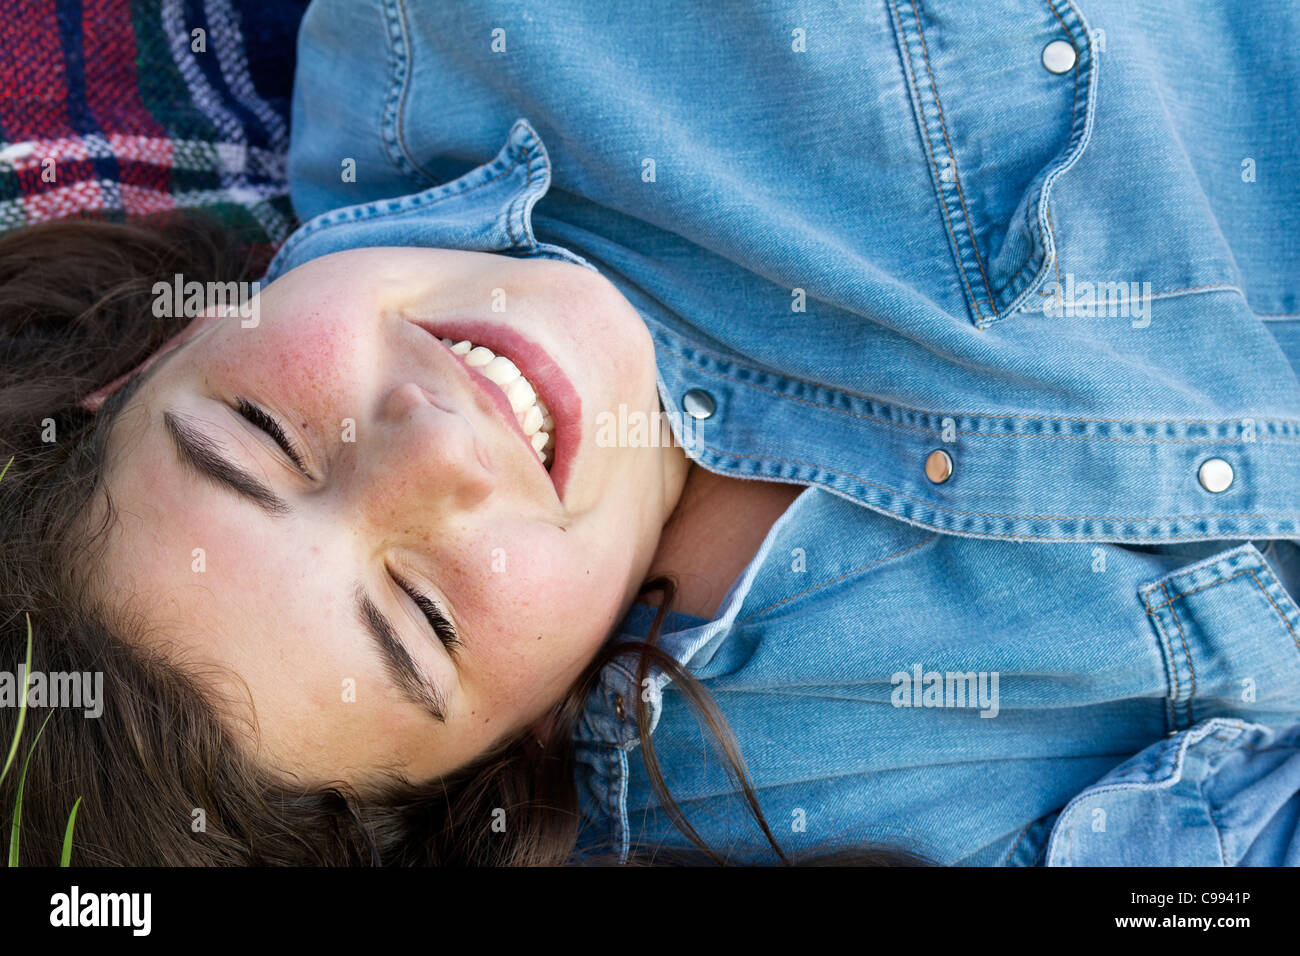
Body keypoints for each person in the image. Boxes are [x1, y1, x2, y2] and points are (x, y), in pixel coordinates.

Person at [3, 0, 1299, 865]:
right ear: (500, 751)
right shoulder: (808, 815)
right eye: (424, 621)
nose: (433, 449)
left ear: (149, 349)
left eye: (267, 437)